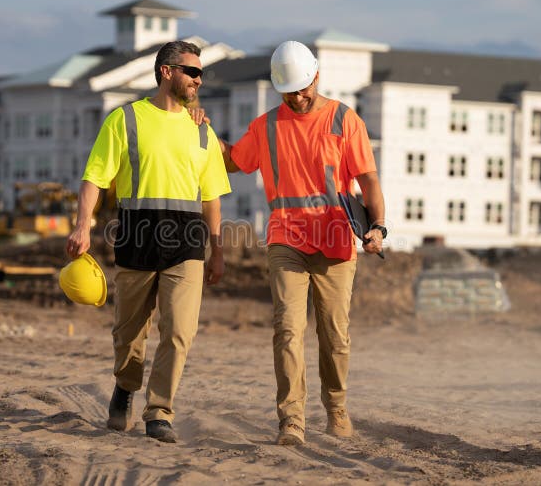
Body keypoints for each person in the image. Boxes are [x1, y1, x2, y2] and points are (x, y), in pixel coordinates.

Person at [220, 40, 386, 445]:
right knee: (288, 330)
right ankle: (291, 420)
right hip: (286, 239)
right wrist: (200, 130)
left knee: (333, 334)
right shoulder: (266, 127)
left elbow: (368, 180)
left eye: (303, 88)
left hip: (335, 241)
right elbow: (231, 161)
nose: (297, 97)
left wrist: (378, 226)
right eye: (288, 91)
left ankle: (337, 408)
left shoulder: (345, 121)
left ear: (316, 76)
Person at [66, 40, 231, 443]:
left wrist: (218, 250)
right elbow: (95, 177)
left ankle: (159, 411)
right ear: (166, 72)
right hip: (137, 237)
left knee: (179, 331)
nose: (198, 79)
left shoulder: (203, 131)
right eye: (191, 72)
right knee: (128, 334)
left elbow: (211, 196)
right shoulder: (125, 120)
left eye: (201, 73)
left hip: (188, 243)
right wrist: (82, 226)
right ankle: (125, 386)